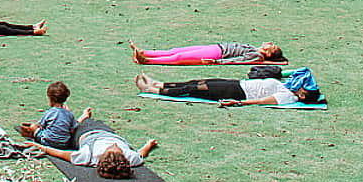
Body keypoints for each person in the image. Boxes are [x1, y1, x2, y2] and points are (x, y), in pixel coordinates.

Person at [22, 107, 158, 179]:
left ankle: (80, 117)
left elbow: (62, 153)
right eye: (117, 149)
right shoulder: (129, 158)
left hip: (86, 134)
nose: (114, 145)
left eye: (112, 148)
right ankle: (77, 116)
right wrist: (148, 145)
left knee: (72, 128)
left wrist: (41, 147)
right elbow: (140, 154)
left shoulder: (88, 155)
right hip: (107, 132)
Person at [135, 67, 323, 106]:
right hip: (238, 83)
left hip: (238, 92)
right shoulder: (290, 88)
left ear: (304, 96)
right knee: (197, 82)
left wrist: (238, 103)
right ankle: (158, 83)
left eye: (305, 89)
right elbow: (304, 71)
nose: (302, 86)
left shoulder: (288, 97)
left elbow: (261, 101)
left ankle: (153, 90)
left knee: (194, 89)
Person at [19, 81, 80, 149]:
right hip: (64, 144)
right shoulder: (69, 114)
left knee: (34, 126)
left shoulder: (50, 112)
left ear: (51, 99)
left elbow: (41, 125)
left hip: (47, 142)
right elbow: (73, 129)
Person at [129, 39, 286, 65]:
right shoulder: (255, 49)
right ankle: (144, 52)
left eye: (273, 46)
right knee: (177, 50)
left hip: (218, 54)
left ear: (269, 53)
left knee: (180, 57)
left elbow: (238, 60)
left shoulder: (256, 56)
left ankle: (148, 60)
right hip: (216, 47)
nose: (270, 43)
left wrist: (218, 62)